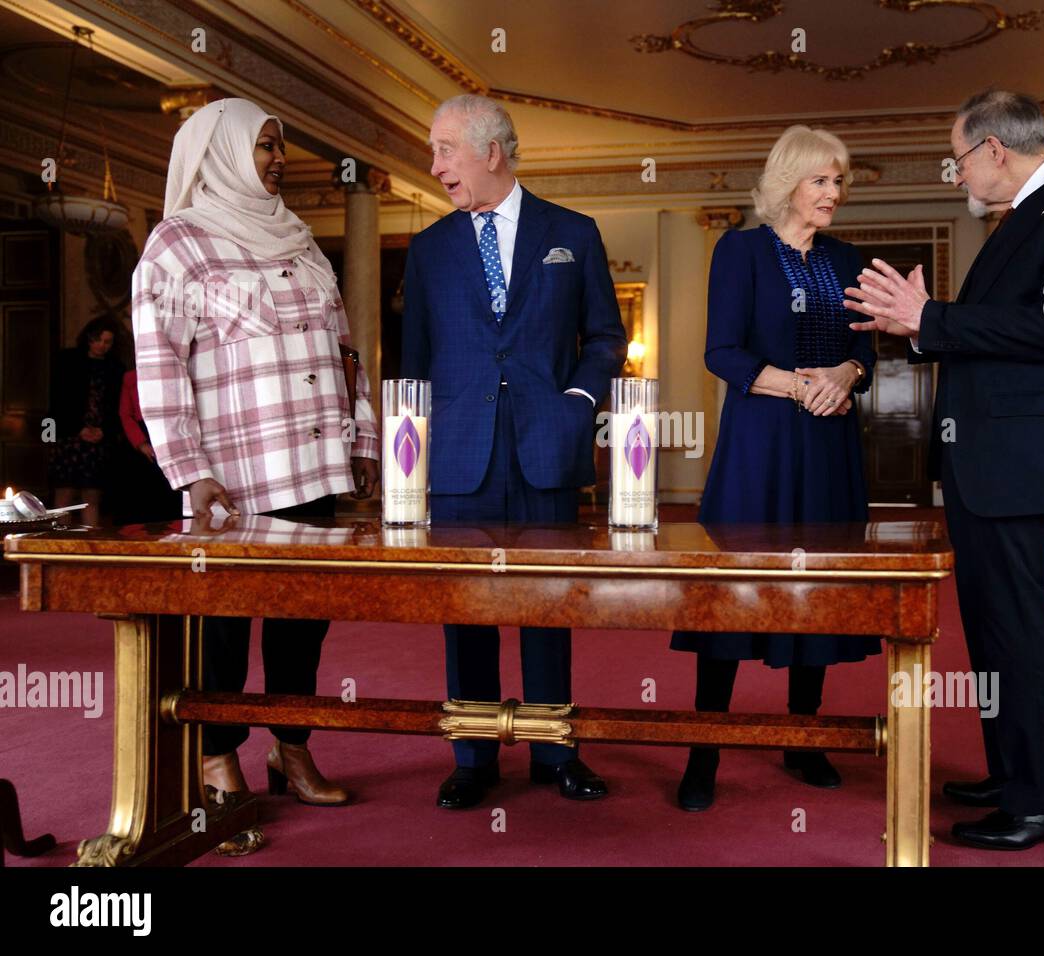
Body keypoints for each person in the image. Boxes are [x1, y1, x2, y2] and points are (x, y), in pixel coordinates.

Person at [845, 89, 1044, 850]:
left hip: (1022, 454)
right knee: (991, 625)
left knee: (1018, 627)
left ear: (995, 151)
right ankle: (1013, 774)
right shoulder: (1028, 214)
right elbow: (994, 333)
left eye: (959, 160)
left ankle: (1043, 804)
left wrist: (930, 318)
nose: (957, 176)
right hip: (991, 454)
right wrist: (917, 326)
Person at [132, 98, 381, 849]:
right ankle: (215, 758)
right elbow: (160, 365)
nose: (278, 157)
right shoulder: (178, 245)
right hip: (232, 480)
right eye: (266, 145)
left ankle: (291, 747)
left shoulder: (300, 240)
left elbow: (346, 350)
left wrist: (360, 438)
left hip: (312, 466)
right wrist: (189, 470)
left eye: (281, 145)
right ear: (221, 152)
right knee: (224, 631)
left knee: (304, 619)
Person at [400, 94, 627, 809]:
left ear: (491, 151)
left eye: (444, 150)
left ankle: (555, 752)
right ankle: (472, 757)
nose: (434, 166)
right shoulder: (430, 248)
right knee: (465, 610)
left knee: (547, 607)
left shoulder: (574, 234)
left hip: (548, 449)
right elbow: (415, 365)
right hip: (458, 459)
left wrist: (580, 404)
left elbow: (606, 339)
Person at [669, 125, 878, 812]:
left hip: (828, 449)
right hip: (760, 444)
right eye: (823, 180)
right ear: (789, 181)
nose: (834, 193)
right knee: (734, 593)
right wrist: (797, 385)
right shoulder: (740, 251)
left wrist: (845, 374)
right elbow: (721, 353)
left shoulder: (848, 259)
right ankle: (704, 752)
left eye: (840, 181)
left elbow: (866, 354)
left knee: (815, 592)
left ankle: (802, 738)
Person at [50, 317, 124, 527]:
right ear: (88, 338)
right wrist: (77, 429)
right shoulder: (68, 361)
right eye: (97, 339)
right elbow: (58, 400)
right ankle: (56, 547)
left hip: (99, 440)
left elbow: (117, 407)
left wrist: (105, 431)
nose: (102, 345)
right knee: (64, 492)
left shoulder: (115, 368)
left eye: (107, 341)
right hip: (69, 437)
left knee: (92, 496)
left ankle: (90, 547)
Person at [116, 367, 182, 523]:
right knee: (139, 494)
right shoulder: (131, 376)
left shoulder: (172, 373)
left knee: (170, 491)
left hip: (168, 433)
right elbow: (125, 414)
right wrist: (141, 443)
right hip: (141, 437)